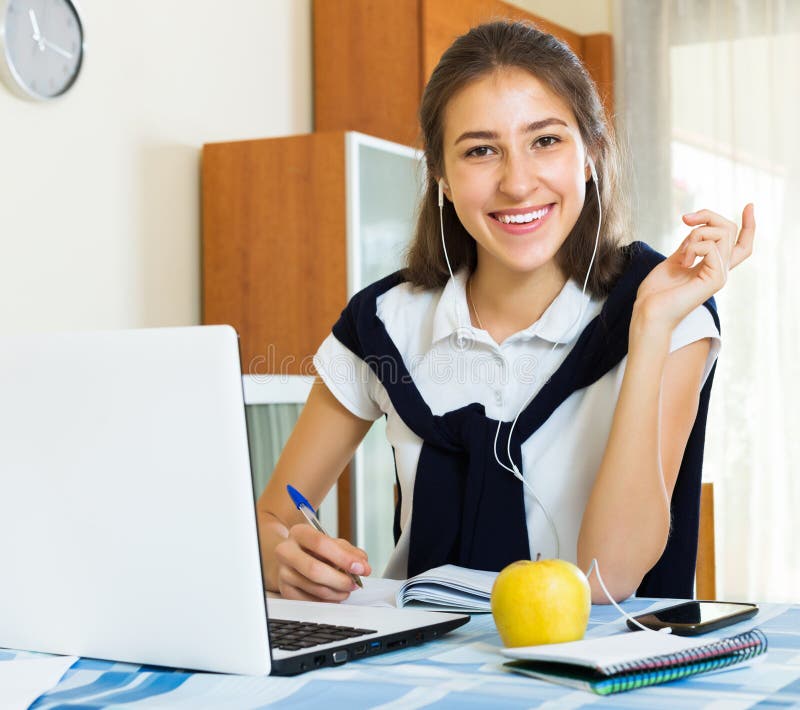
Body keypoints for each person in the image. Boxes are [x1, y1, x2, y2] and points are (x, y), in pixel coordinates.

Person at [255, 20, 755, 604]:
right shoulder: (382, 324)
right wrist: (281, 558)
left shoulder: (665, 307)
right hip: (413, 660)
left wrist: (646, 332)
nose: (517, 183)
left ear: (590, 155)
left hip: (600, 679)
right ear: (441, 176)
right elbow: (274, 513)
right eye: (480, 150)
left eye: (545, 140)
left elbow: (607, 578)